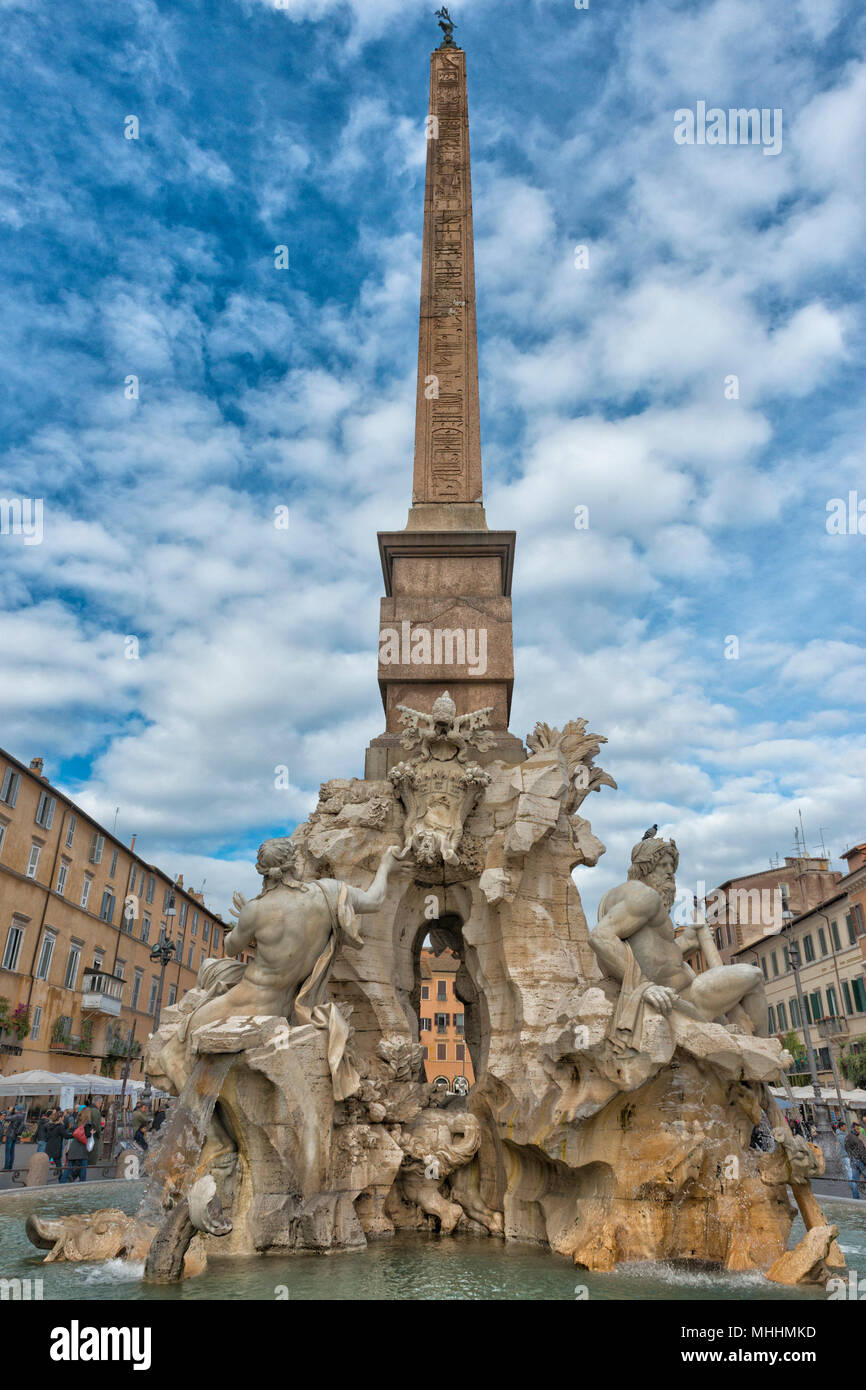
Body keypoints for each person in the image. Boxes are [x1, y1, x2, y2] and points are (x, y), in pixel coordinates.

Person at [59, 1118, 93, 1183]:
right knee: (83, 1167)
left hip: (73, 1148)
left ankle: (62, 1181)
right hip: (81, 1150)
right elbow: (88, 1135)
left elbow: (71, 1132)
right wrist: (91, 1133)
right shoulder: (87, 1125)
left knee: (69, 1166)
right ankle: (82, 1182)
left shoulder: (76, 1124)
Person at [844, 1124, 866, 1198]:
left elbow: (846, 1149)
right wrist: (865, 1161)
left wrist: (851, 1157)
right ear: (853, 1129)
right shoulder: (856, 1139)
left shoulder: (847, 1137)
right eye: (857, 1129)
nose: (859, 1131)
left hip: (853, 1160)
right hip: (859, 1160)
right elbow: (861, 1151)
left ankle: (855, 1198)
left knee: (855, 1181)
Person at [3, 1105, 25, 1171]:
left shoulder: (17, 1116)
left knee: (8, 1151)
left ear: (17, 1109)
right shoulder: (21, 1116)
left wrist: (9, 1111)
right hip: (15, 1135)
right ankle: (10, 1166)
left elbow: (6, 1118)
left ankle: (6, 1167)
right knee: (12, 1151)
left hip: (10, 1135)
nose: (14, 1109)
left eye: (15, 1108)